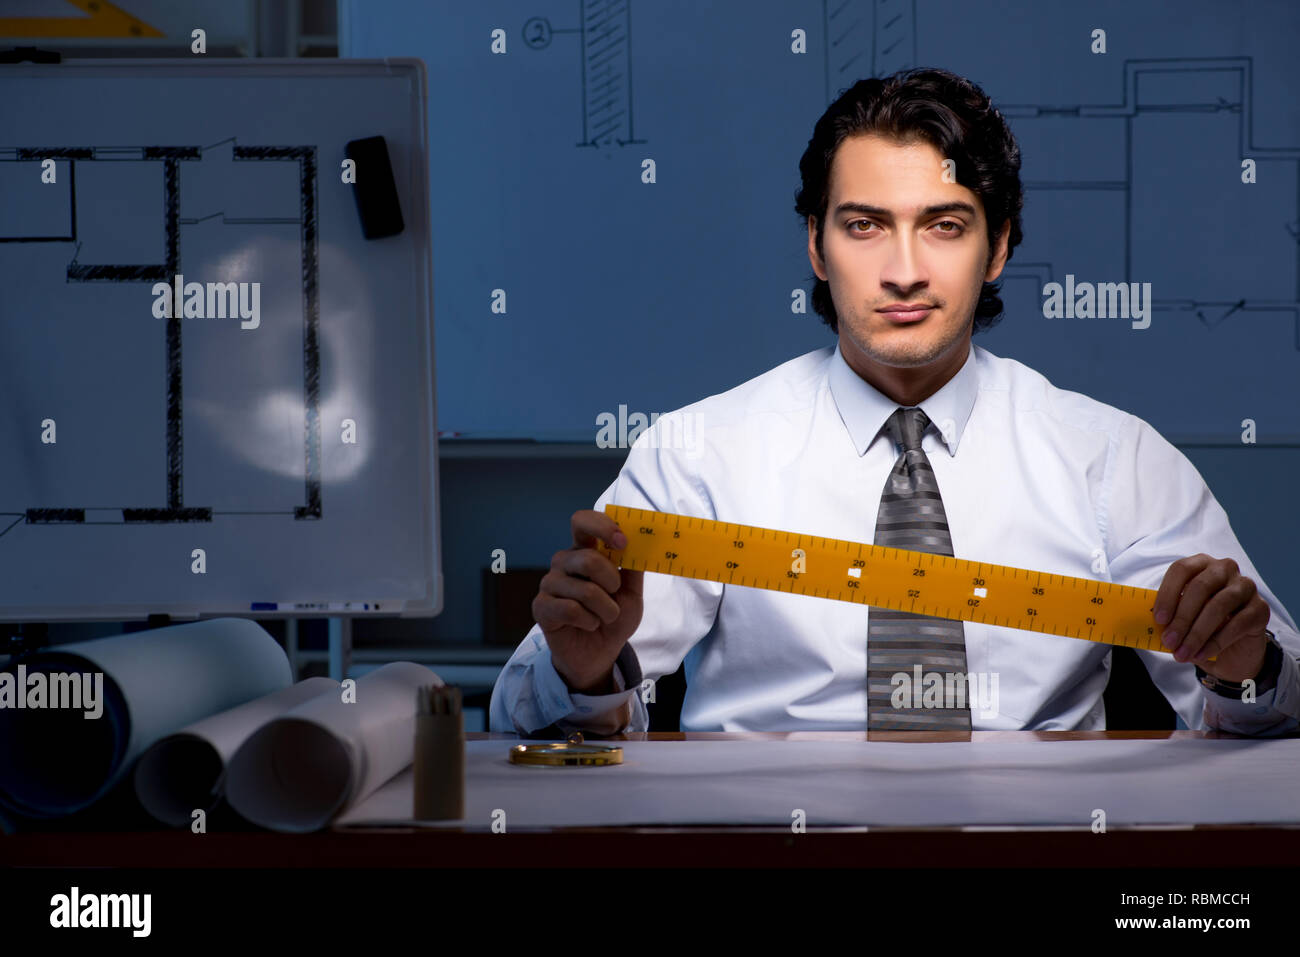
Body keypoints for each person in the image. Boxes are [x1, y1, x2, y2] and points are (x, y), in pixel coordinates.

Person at [489, 67, 1299, 737]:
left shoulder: (1115, 460)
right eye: (865, 225)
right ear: (816, 244)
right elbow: (523, 720)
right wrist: (581, 671)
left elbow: (1283, 714)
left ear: (1000, 246)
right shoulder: (696, 452)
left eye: (944, 225)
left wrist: (1246, 667)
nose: (904, 269)